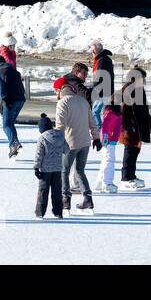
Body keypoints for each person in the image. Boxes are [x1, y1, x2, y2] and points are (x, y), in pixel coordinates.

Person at [54, 73, 101, 212]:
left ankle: (65, 201)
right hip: (85, 142)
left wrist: (56, 142)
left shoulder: (62, 103)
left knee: (64, 171)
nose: (55, 94)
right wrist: (96, 138)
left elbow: (60, 126)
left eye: (55, 91)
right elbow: (92, 122)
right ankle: (88, 199)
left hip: (69, 143)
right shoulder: (83, 101)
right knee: (80, 171)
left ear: (60, 89)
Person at [119, 67, 151, 190]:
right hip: (131, 127)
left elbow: (141, 109)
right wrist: (128, 126)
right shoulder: (130, 89)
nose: (144, 80)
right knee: (130, 151)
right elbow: (124, 109)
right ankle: (126, 177)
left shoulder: (137, 89)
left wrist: (148, 120)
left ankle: (131, 175)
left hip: (137, 126)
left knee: (134, 151)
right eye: (143, 78)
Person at [33, 112, 67, 219]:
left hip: (45, 170)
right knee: (57, 191)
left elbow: (39, 154)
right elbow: (67, 150)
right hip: (57, 168)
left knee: (43, 191)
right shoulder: (61, 136)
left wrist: (36, 167)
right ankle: (58, 212)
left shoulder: (42, 138)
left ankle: (40, 212)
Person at [0, 55, 26, 157]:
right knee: (10, 123)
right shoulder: (15, 71)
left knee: (6, 125)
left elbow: (1, 90)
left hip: (10, 101)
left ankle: (14, 144)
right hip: (20, 100)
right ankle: (14, 146)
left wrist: (5, 100)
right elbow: (22, 87)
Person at [94, 103, 123, 193]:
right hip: (108, 140)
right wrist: (106, 138)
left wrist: (123, 130)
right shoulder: (111, 113)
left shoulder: (117, 114)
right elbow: (105, 126)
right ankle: (107, 183)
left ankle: (99, 183)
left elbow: (117, 127)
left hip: (111, 139)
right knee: (109, 160)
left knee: (106, 160)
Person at [88, 39, 115, 128]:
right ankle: (105, 131)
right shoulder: (105, 58)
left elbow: (98, 77)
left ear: (97, 49)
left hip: (102, 91)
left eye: (93, 50)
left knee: (95, 112)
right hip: (107, 90)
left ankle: (99, 131)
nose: (92, 52)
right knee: (104, 112)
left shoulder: (102, 60)